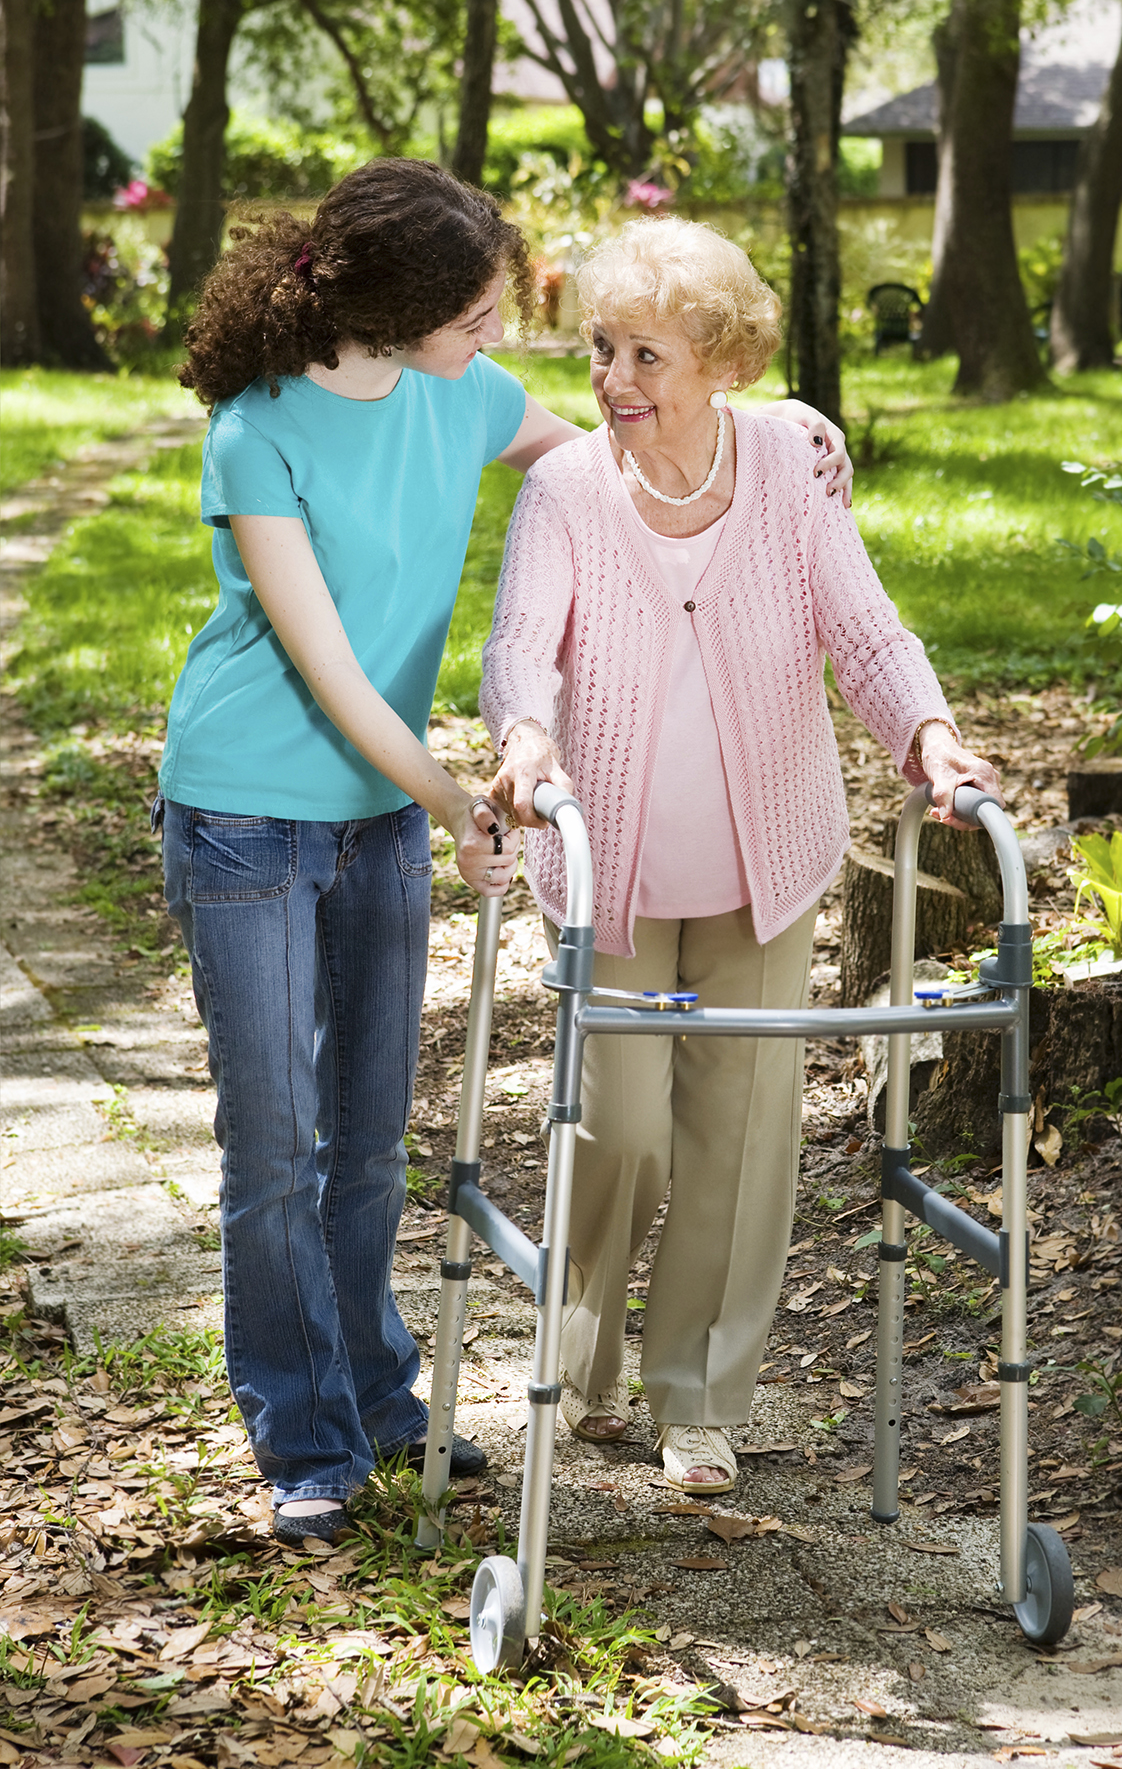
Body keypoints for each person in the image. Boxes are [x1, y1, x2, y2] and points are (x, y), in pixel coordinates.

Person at [158, 162, 851, 1546]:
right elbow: (333, 668)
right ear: (408, 304)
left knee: (368, 1139)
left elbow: (628, 452)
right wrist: (461, 794)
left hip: (376, 818)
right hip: (245, 805)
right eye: (477, 310)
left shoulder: (460, 393)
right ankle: (304, 1437)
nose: (500, 336)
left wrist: (786, 431)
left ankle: (382, 1394)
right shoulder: (255, 430)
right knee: (273, 1148)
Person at [481, 217, 1002, 1497]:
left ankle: (698, 1400)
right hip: (609, 875)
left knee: (742, 1132)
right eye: (601, 351)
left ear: (717, 360)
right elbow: (518, 647)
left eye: (645, 355)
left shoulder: (788, 469)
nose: (613, 382)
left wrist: (928, 737)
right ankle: (582, 1358)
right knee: (622, 1132)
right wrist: (527, 740)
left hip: (763, 859)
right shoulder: (565, 492)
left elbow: (864, 632)